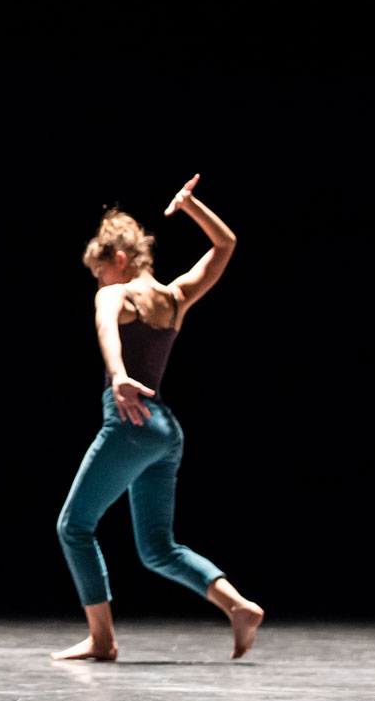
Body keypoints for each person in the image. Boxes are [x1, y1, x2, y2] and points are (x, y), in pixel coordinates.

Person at [52, 175, 265, 661]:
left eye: (99, 271)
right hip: (166, 432)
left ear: (118, 261)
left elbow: (106, 328)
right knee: (156, 548)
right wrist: (190, 205)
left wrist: (119, 374)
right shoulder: (175, 297)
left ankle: (103, 639)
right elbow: (225, 244)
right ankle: (239, 607)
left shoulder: (114, 294)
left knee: (74, 526)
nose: (98, 282)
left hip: (129, 423)